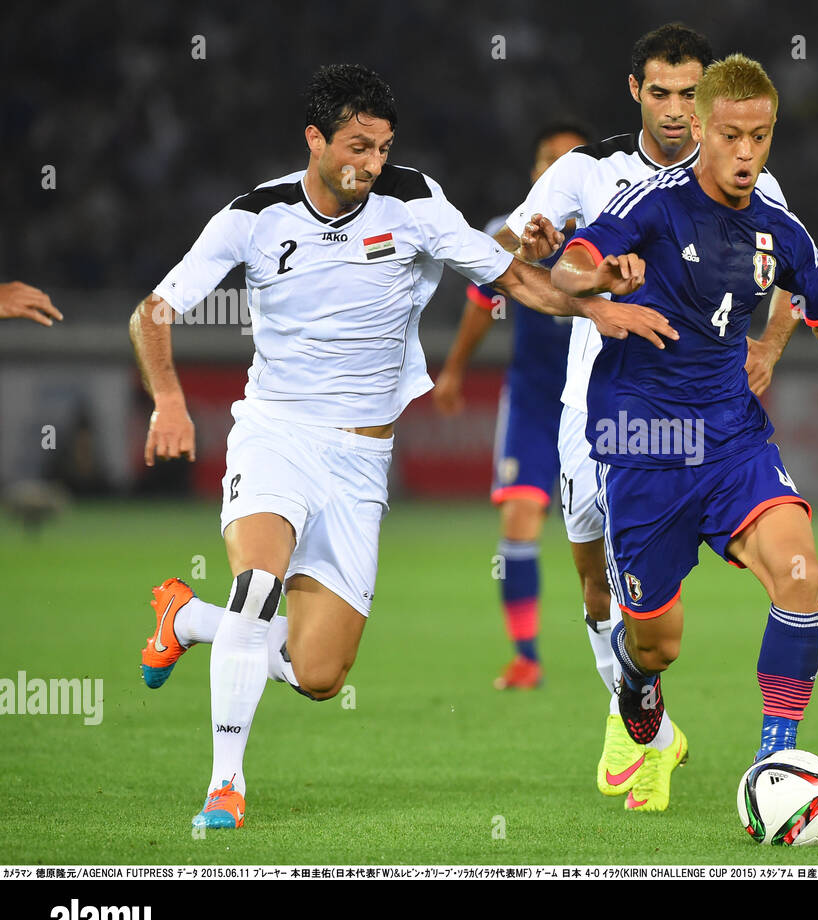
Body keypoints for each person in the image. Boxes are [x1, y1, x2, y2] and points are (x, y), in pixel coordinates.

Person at [130, 64, 672, 829]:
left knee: (319, 673)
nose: (372, 164)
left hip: (360, 462)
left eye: (383, 148)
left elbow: (511, 277)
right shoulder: (254, 217)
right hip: (276, 433)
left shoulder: (414, 202)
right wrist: (169, 398)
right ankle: (225, 785)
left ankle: (187, 619)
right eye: (357, 146)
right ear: (315, 139)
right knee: (258, 585)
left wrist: (596, 305)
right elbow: (153, 310)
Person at [551, 54, 818, 802]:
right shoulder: (652, 206)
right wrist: (599, 280)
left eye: (760, 137)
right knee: (657, 641)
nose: (745, 154)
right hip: (645, 449)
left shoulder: (779, 229)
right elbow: (569, 266)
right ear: (699, 126)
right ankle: (637, 683)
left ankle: (776, 759)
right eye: (731, 135)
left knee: (801, 574)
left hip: (734, 439)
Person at [494, 22, 802, 811]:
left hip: (691, 419)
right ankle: (647, 716)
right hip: (584, 408)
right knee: (597, 591)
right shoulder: (586, 170)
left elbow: (798, 279)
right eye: (659, 93)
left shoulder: (753, 186)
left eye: (687, 95)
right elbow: (510, 248)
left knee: (658, 596)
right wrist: (542, 244)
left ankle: (635, 728)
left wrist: (767, 347)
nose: (674, 111)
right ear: (636, 91)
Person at [433, 120, 594, 691]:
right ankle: (526, 656)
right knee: (520, 519)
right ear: (533, 173)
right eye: (547, 158)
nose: (557, 167)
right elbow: (482, 302)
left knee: (611, 535)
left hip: (600, 402)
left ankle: (627, 652)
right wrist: (453, 370)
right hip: (532, 400)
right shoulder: (506, 233)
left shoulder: (612, 227)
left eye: (570, 158)